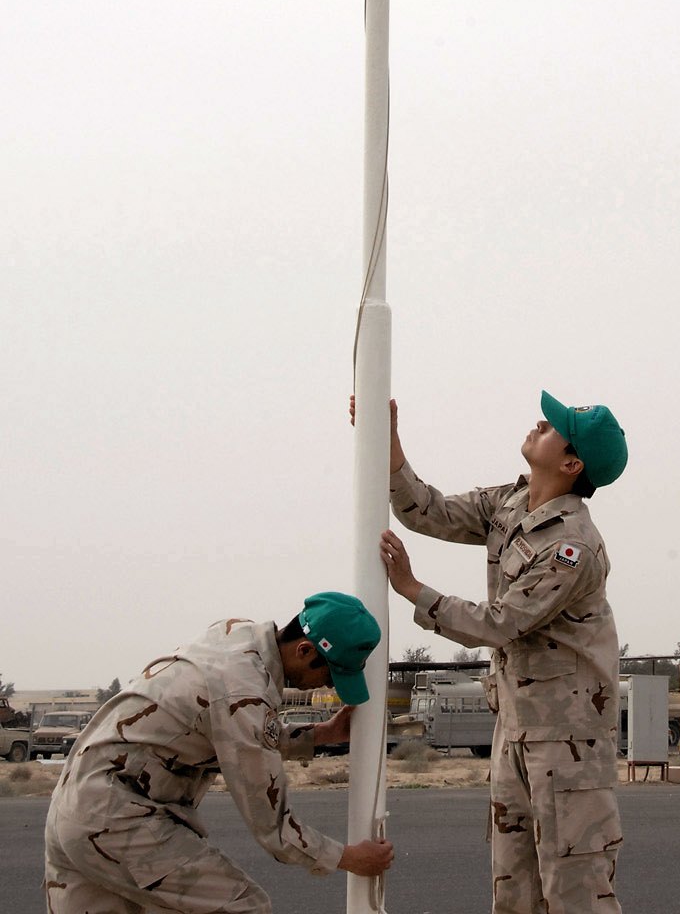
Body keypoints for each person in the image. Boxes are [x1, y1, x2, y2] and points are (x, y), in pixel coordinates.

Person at [379, 390, 628, 914]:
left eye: (556, 425)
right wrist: (389, 440)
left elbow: (502, 623)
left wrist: (413, 590)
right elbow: (429, 511)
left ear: (571, 462)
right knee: (514, 891)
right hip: (514, 726)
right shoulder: (511, 503)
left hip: (568, 739)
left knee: (576, 892)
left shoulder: (573, 545)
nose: (541, 422)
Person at [44, 592, 394, 913]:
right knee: (244, 907)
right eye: (330, 675)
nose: (328, 686)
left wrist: (322, 734)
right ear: (304, 650)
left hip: (75, 807)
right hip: (116, 819)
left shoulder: (236, 635)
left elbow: (238, 730)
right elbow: (275, 829)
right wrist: (349, 858)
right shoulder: (244, 693)